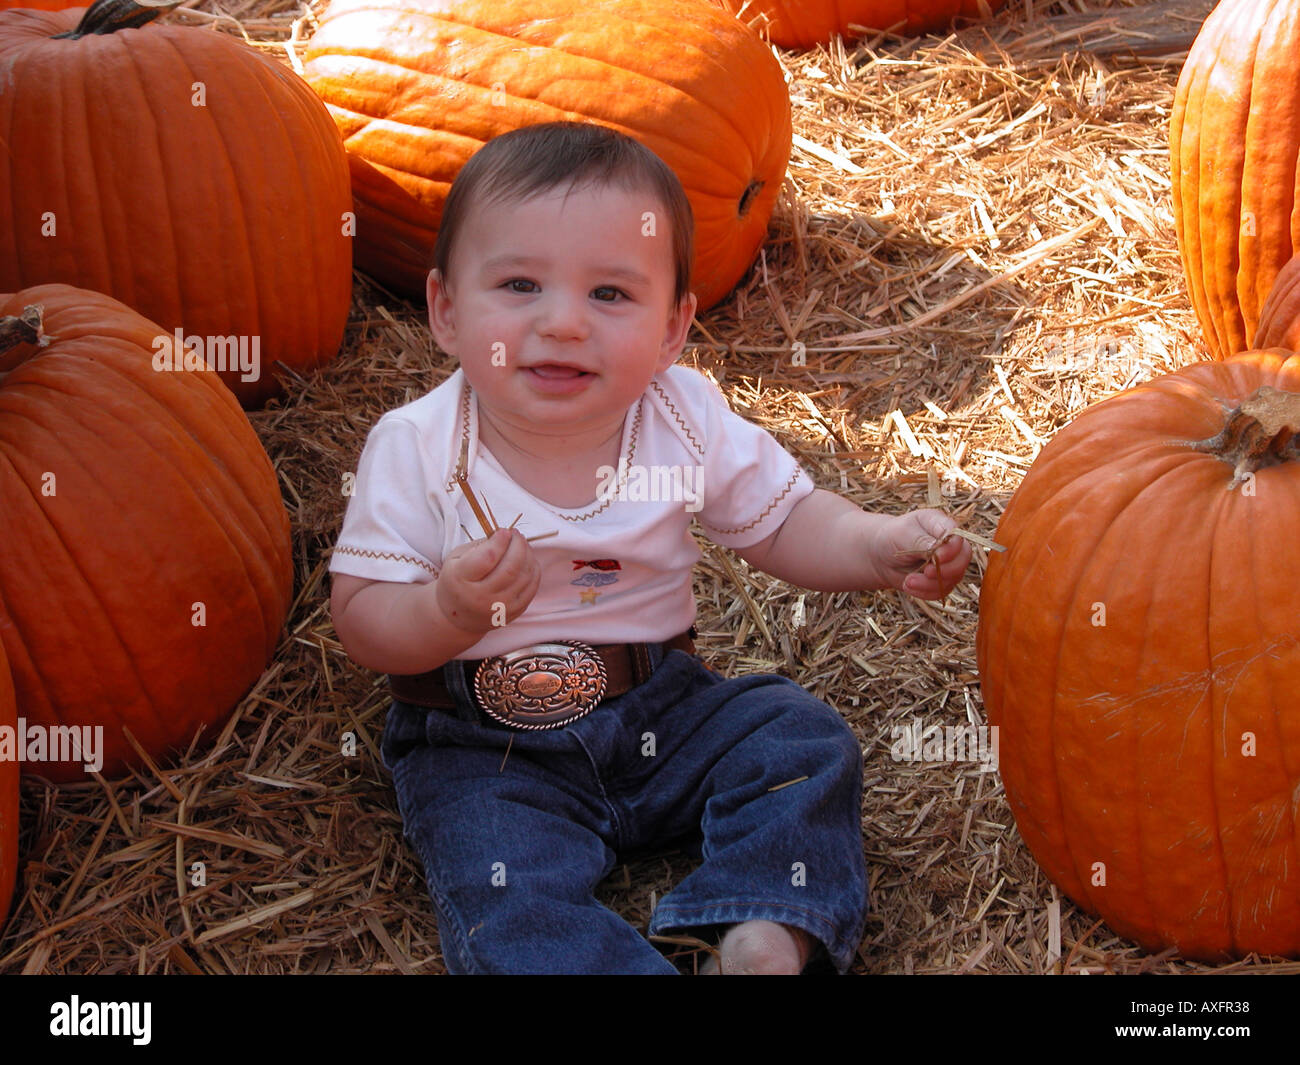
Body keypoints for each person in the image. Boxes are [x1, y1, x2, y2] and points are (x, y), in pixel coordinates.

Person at [329, 121, 970, 974]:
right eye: (520, 285)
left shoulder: (680, 415)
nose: (561, 323)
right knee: (505, 888)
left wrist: (876, 543)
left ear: (673, 329)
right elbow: (364, 621)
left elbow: (782, 520)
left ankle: (763, 925)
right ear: (447, 310)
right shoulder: (415, 447)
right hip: (485, 739)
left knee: (798, 739)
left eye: (610, 295)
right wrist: (445, 608)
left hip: (664, 707)